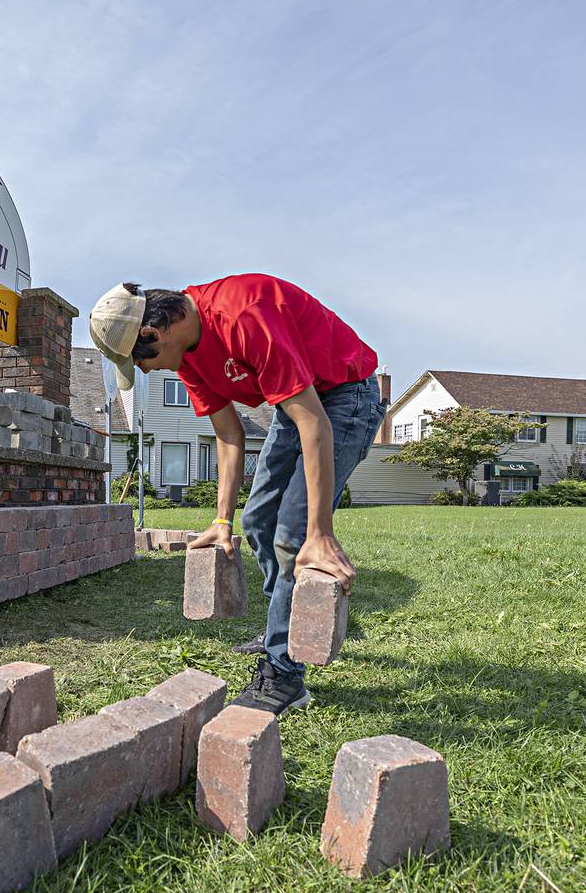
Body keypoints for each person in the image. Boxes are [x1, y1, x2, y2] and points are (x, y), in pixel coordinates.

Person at [89, 275, 384, 716]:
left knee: (291, 533)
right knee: (256, 522)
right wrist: (221, 520)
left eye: (141, 362)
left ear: (153, 333)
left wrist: (319, 533)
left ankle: (285, 673)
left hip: (344, 395)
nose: (148, 371)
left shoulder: (243, 315)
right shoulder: (187, 358)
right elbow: (229, 436)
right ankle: (281, 625)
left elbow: (315, 423)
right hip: (294, 403)